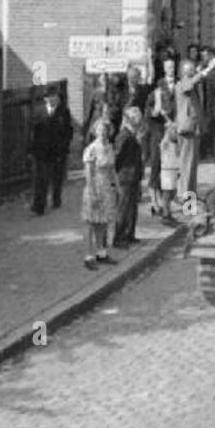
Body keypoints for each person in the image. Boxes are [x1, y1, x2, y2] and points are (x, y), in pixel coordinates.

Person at [81, 118, 120, 270]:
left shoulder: (109, 148)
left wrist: (117, 186)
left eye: (105, 130)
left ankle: (101, 252)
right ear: (95, 131)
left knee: (103, 222)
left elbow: (112, 169)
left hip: (106, 188)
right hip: (95, 187)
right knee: (91, 223)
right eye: (100, 130)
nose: (103, 133)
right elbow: (88, 173)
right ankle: (88, 255)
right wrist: (92, 193)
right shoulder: (91, 149)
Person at [146, 59, 179, 216]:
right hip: (160, 134)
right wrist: (155, 112)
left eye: (173, 66)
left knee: (184, 170)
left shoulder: (183, 85)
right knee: (157, 167)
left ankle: (189, 208)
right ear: (164, 69)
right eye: (168, 67)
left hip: (180, 134)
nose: (171, 69)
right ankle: (157, 204)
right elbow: (149, 111)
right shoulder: (157, 89)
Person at [29, 88, 66, 215]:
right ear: (46, 99)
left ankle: (56, 199)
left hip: (55, 151)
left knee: (56, 177)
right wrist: (31, 149)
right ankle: (39, 205)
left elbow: (65, 132)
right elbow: (33, 131)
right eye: (52, 97)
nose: (55, 100)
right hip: (41, 151)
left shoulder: (62, 112)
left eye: (56, 97)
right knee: (41, 179)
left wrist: (63, 149)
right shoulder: (39, 111)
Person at [113, 107, 144, 249]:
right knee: (123, 208)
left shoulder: (133, 135)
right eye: (137, 117)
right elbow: (117, 157)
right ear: (130, 119)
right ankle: (118, 237)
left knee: (132, 207)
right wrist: (116, 176)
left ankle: (129, 234)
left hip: (134, 176)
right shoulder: (124, 136)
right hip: (125, 176)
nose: (139, 120)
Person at [175, 58, 205, 198]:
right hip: (187, 130)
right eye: (191, 70)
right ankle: (187, 204)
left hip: (193, 129)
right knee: (187, 167)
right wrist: (202, 72)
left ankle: (191, 201)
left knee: (192, 167)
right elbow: (188, 86)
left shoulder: (188, 84)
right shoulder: (182, 84)